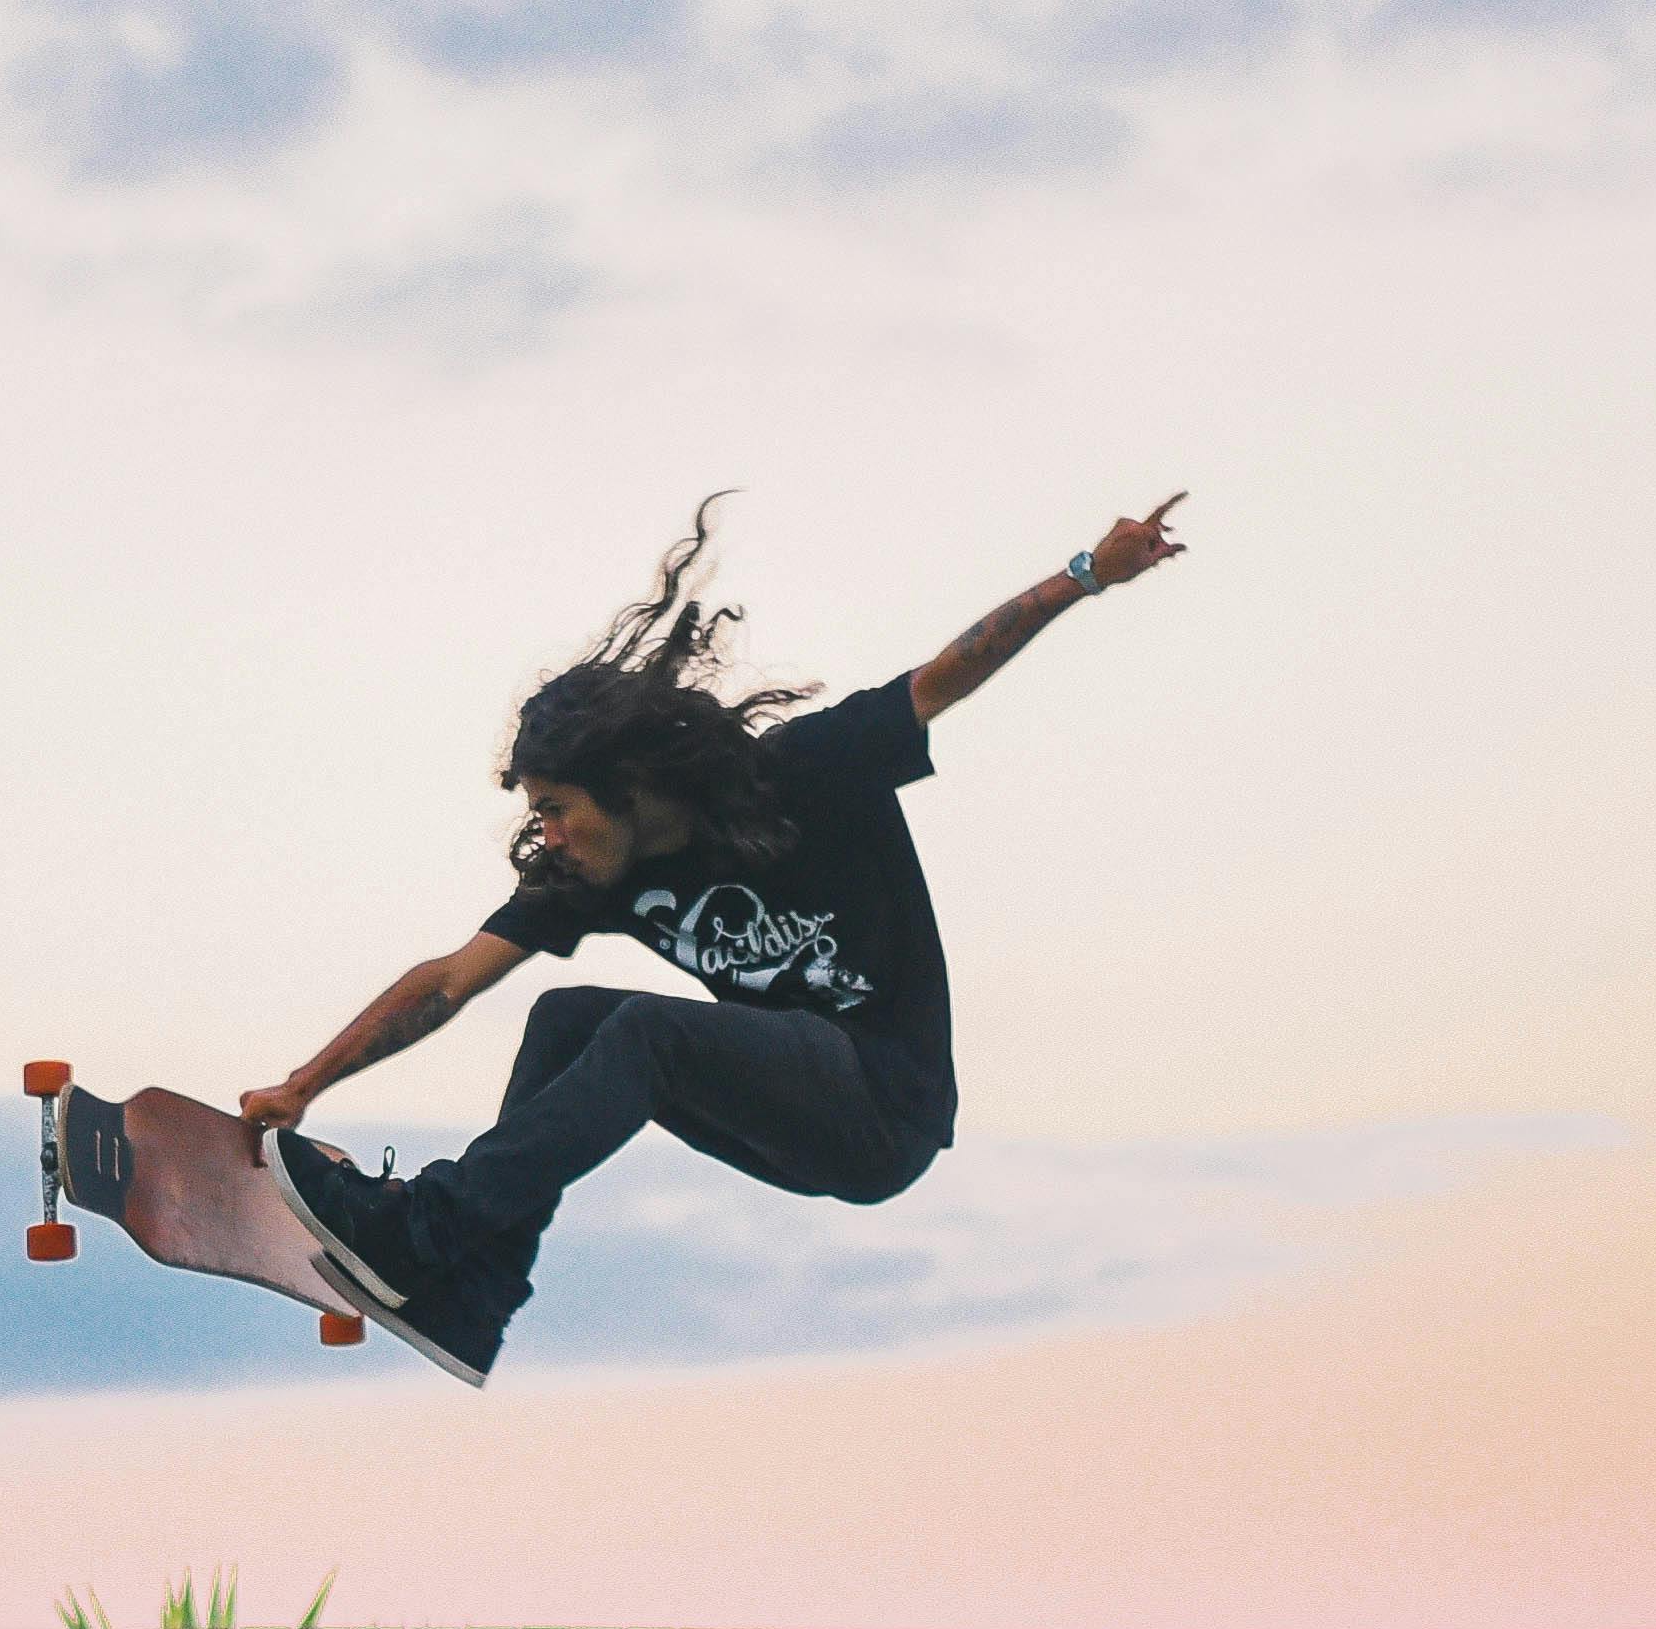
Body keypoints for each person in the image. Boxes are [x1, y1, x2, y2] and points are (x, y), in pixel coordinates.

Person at [242, 492, 1189, 1383]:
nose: (552, 838)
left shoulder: (807, 771)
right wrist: (305, 1085)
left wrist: (1088, 572)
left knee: (645, 1037)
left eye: (561, 809)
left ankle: (429, 1230)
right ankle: (473, 1299)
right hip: (789, 1120)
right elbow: (450, 981)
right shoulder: (595, 875)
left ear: (629, 784)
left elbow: (948, 675)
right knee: (566, 1017)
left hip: (883, 1108)